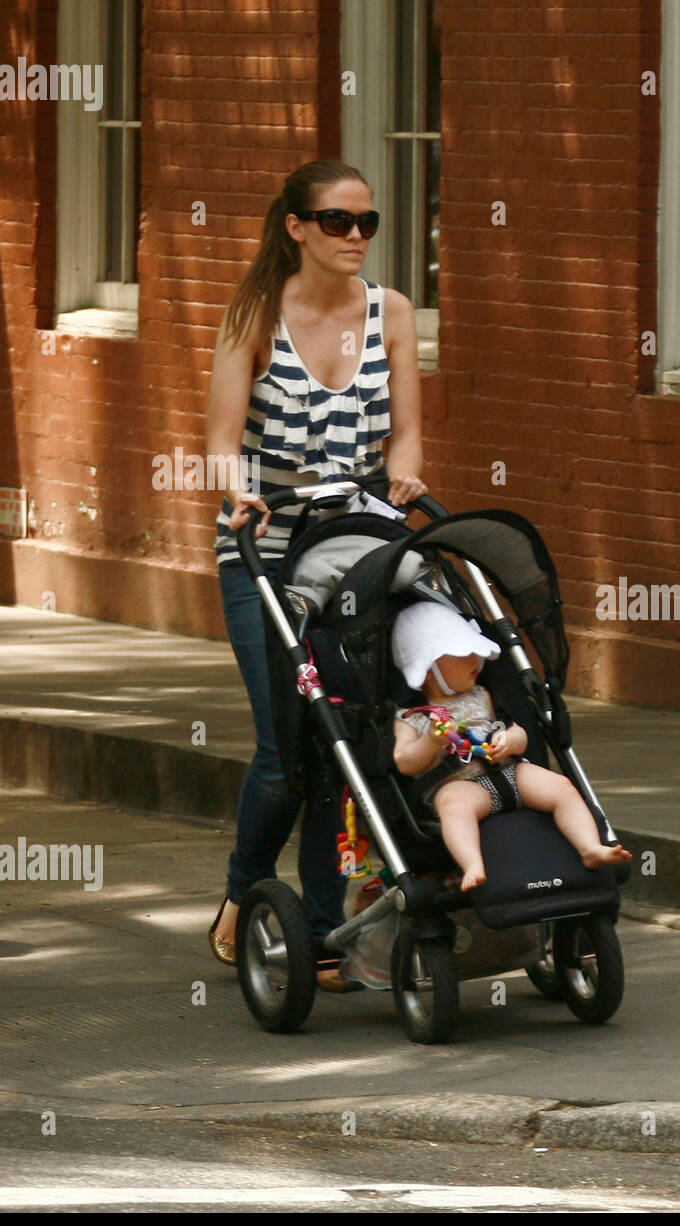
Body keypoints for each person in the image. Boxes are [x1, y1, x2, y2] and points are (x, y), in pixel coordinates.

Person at [204, 159, 428, 987]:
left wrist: (404, 475)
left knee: (344, 741)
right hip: (263, 547)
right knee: (284, 749)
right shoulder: (254, 314)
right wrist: (239, 497)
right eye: (338, 221)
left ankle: (326, 929)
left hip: (356, 546)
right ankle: (243, 892)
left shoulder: (392, 313)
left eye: (367, 222)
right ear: (296, 226)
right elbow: (223, 442)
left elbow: (406, 431)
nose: (357, 237)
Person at [390, 601, 632, 890]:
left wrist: (513, 740)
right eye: (462, 653)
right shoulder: (411, 718)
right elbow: (404, 762)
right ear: (427, 670)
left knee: (562, 786)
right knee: (454, 806)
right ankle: (471, 864)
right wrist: (431, 741)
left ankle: (590, 847)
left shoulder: (482, 695)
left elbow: (514, 730)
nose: (474, 660)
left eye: (475, 651)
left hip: (508, 771)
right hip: (460, 785)